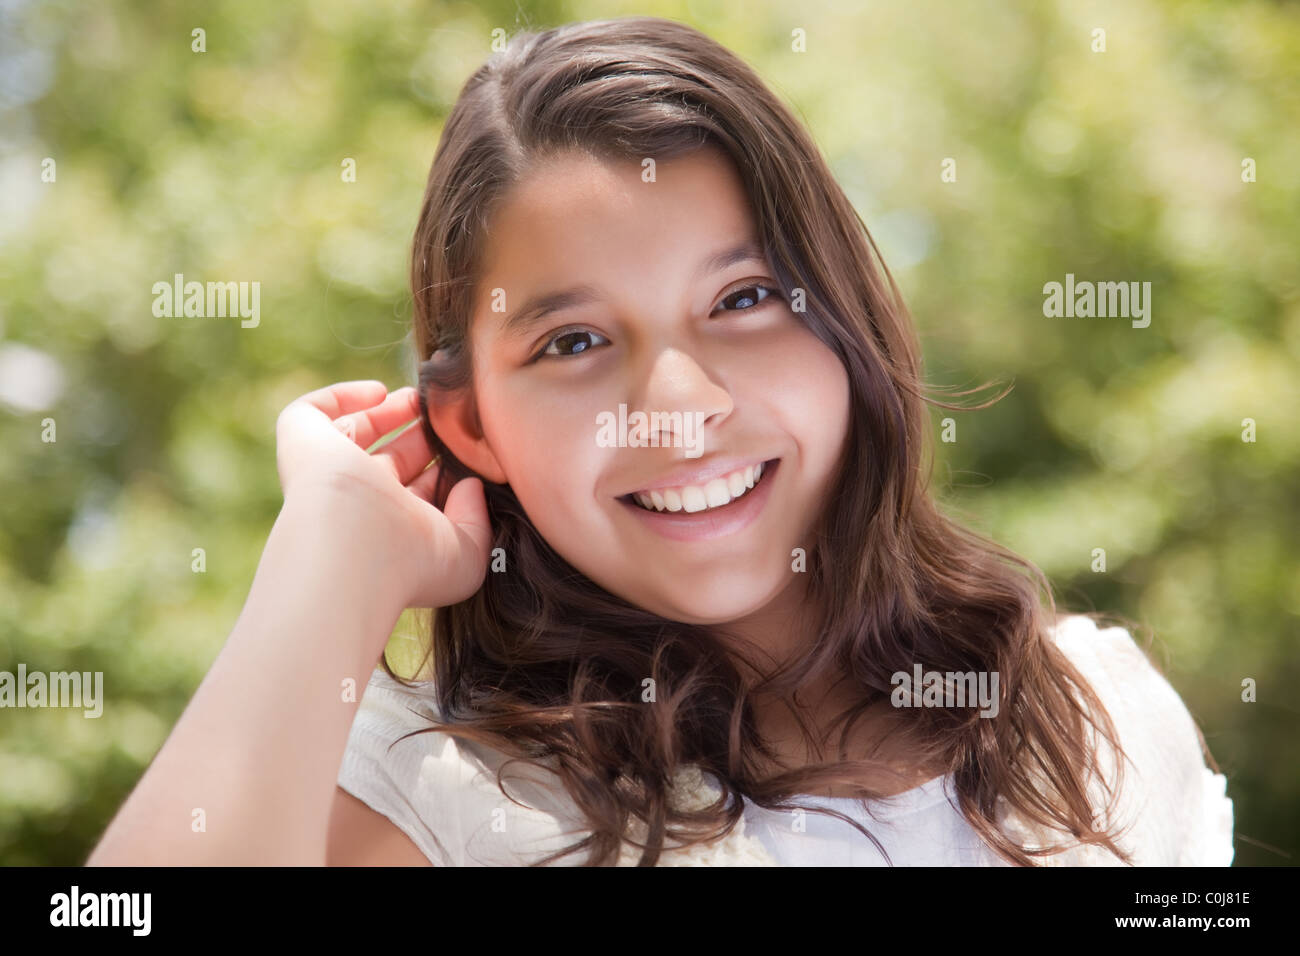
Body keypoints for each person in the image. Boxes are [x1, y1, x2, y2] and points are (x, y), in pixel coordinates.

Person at [88, 16, 1233, 867]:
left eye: (743, 298)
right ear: (470, 422)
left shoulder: (1095, 712)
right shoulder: (428, 791)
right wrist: (330, 554)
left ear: (848, 325)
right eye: (575, 339)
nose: (677, 404)